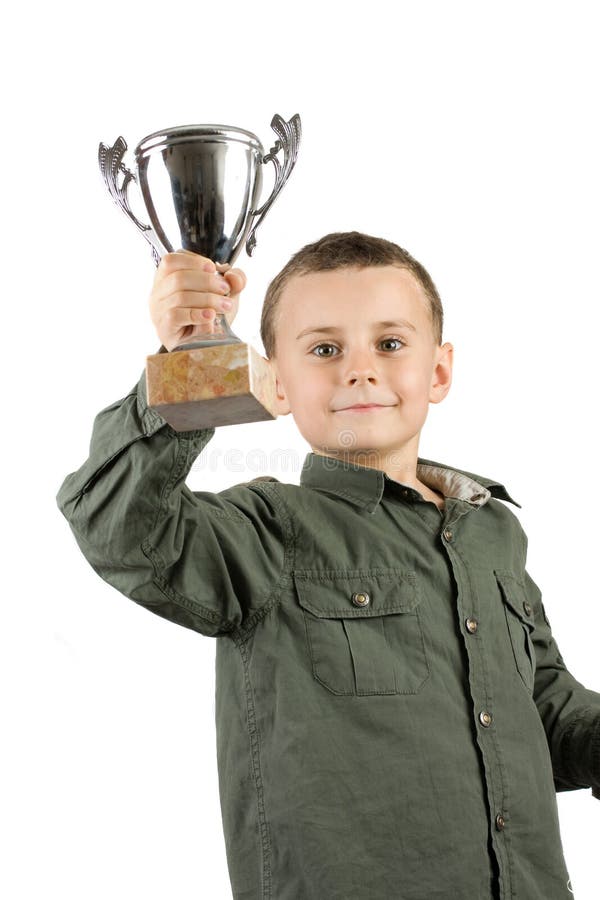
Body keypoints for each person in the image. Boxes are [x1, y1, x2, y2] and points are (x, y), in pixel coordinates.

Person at [56, 231, 600, 900]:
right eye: (324, 349)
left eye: (391, 344)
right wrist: (190, 360)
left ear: (439, 371)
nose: (359, 369)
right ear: (276, 382)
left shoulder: (494, 532)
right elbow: (117, 524)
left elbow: (541, 711)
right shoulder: (266, 531)